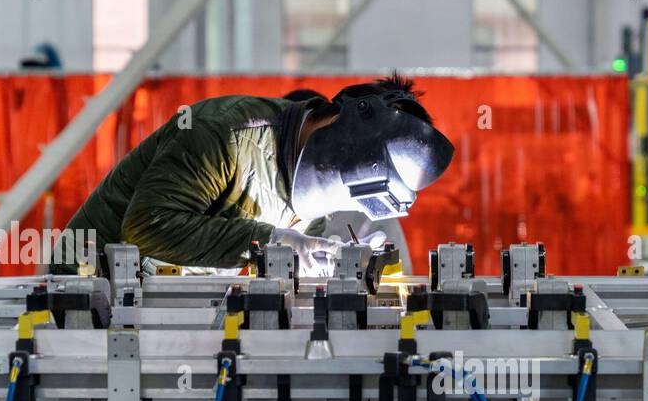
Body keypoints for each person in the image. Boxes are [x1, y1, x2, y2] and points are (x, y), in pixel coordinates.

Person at [54, 73, 454, 276]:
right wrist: (271, 242)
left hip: (164, 300)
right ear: (343, 122)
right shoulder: (224, 133)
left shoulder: (311, 197)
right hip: (85, 292)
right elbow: (146, 228)